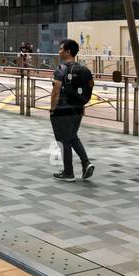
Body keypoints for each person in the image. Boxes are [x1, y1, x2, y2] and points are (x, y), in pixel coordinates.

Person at [50, 38, 94, 182]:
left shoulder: (61, 69)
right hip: (78, 110)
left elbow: (56, 91)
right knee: (72, 136)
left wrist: (52, 109)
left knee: (63, 140)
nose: (59, 51)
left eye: (61, 49)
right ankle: (86, 163)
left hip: (63, 111)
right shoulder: (82, 69)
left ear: (68, 51)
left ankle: (68, 172)